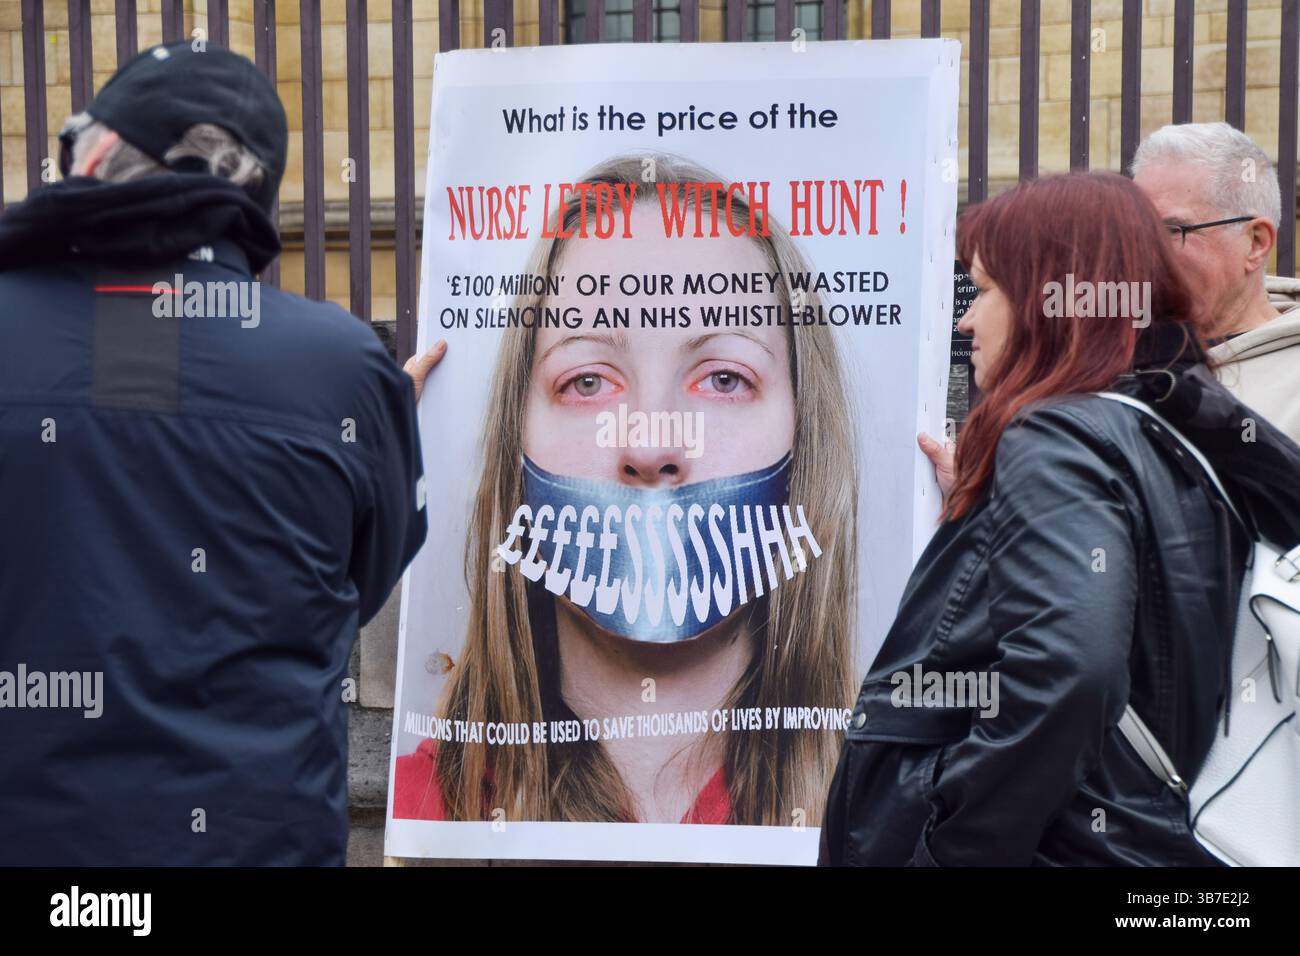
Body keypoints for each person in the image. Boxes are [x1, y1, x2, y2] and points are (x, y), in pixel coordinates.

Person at [0, 43, 427, 865]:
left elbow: (130, 400)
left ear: (93, 151)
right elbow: (355, 586)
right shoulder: (338, 368)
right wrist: (376, 414)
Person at [820, 172, 1300, 866]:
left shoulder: (1057, 438)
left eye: (983, 290)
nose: (966, 320)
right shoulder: (1171, 433)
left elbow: (1071, 671)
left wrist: (951, 846)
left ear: (1050, 301)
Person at [393, 153, 859, 826]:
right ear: (513, 440)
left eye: (724, 379)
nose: (651, 445)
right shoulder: (426, 809)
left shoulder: (888, 805)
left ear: (805, 434)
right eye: (587, 381)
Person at [1132, 122, 1300, 443]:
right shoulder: (1104, 356)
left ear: (1255, 242)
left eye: (1170, 231)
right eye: (1136, 231)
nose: (1143, 253)